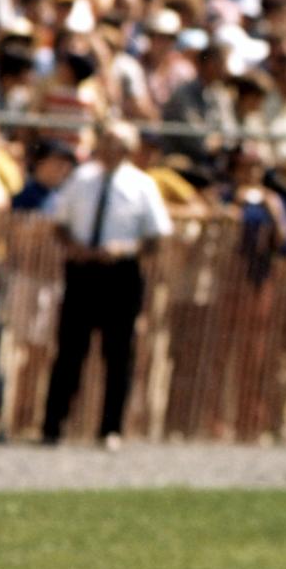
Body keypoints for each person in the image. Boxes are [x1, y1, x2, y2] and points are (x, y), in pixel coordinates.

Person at [40, 122, 172, 449]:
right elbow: (60, 224)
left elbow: (156, 237)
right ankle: (53, 426)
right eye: (106, 142)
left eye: (117, 144)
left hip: (120, 273)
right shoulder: (81, 179)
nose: (110, 149)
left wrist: (125, 249)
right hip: (83, 270)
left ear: (128, 149)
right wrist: (74, 247)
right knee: (70, 350)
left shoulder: (141, 185)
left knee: (118, 353)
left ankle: (110, 428)